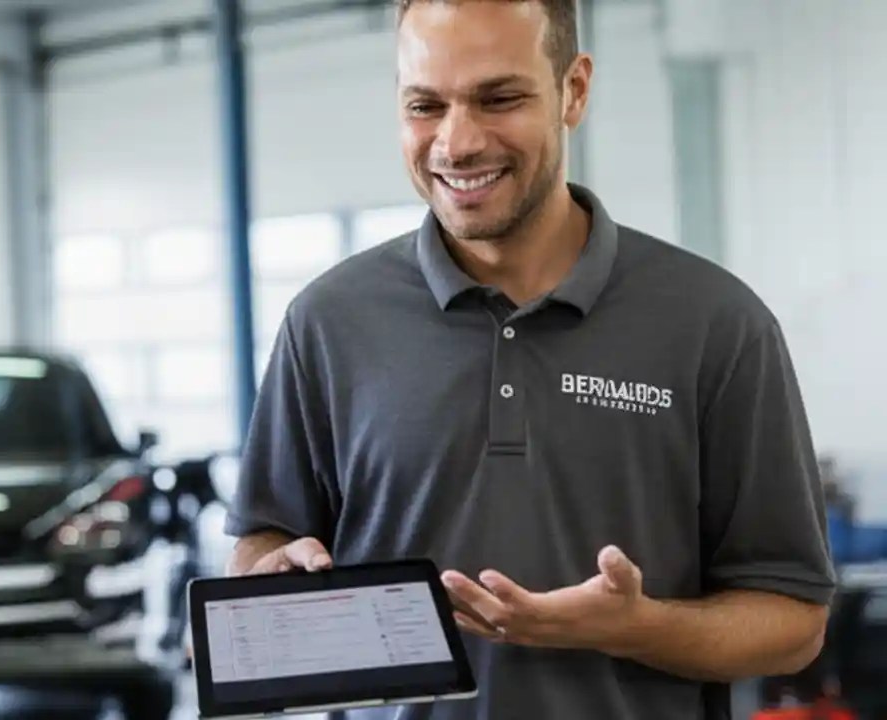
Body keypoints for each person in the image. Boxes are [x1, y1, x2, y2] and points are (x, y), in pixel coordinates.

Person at [224, 1, 835, 719]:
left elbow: (793, 622)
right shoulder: (328, 321)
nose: (456, 143)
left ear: (573, 90)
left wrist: (639, 630)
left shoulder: (716, 324)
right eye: (425, 105)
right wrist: (273, 572)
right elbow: (262, 538)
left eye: (499, 98)